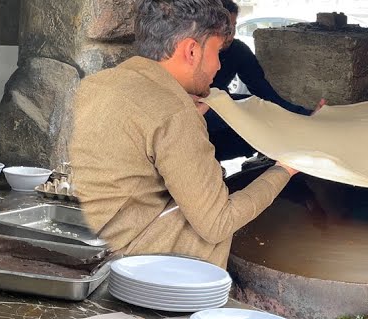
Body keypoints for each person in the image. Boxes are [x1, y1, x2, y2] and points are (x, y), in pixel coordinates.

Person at [69, 0, 296, 267]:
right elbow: (217, 222)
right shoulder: (174, 113)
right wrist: (284, 170)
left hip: (95, 246)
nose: (219, 67)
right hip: (143, 272)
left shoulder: (99, 84)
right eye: (216, 52)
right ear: (191, 50)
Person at [205, 0, 312, 162]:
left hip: (217, 105)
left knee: (256, 109)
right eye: (225, 27)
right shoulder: (194, 53)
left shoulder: (237, 51)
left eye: (234, 26)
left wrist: (303, 114)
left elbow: (262, 90)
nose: (230, 33)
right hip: (196, 114)